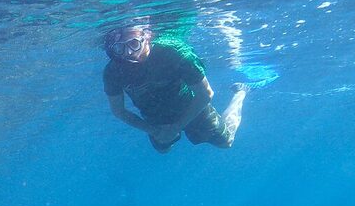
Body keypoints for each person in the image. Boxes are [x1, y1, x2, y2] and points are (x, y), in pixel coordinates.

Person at [102, 25, 249, 153]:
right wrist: (153, 130)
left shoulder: (174, 52)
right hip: (154, 115)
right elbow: (118, 111)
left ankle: (240, 94)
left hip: (190, 106)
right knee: (163, 150)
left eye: (134, 44)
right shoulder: (113, 71)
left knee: (226, 142)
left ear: (146, 36)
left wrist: (176, 127)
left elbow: (206, 94)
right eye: (120, 48)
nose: (128, 53)